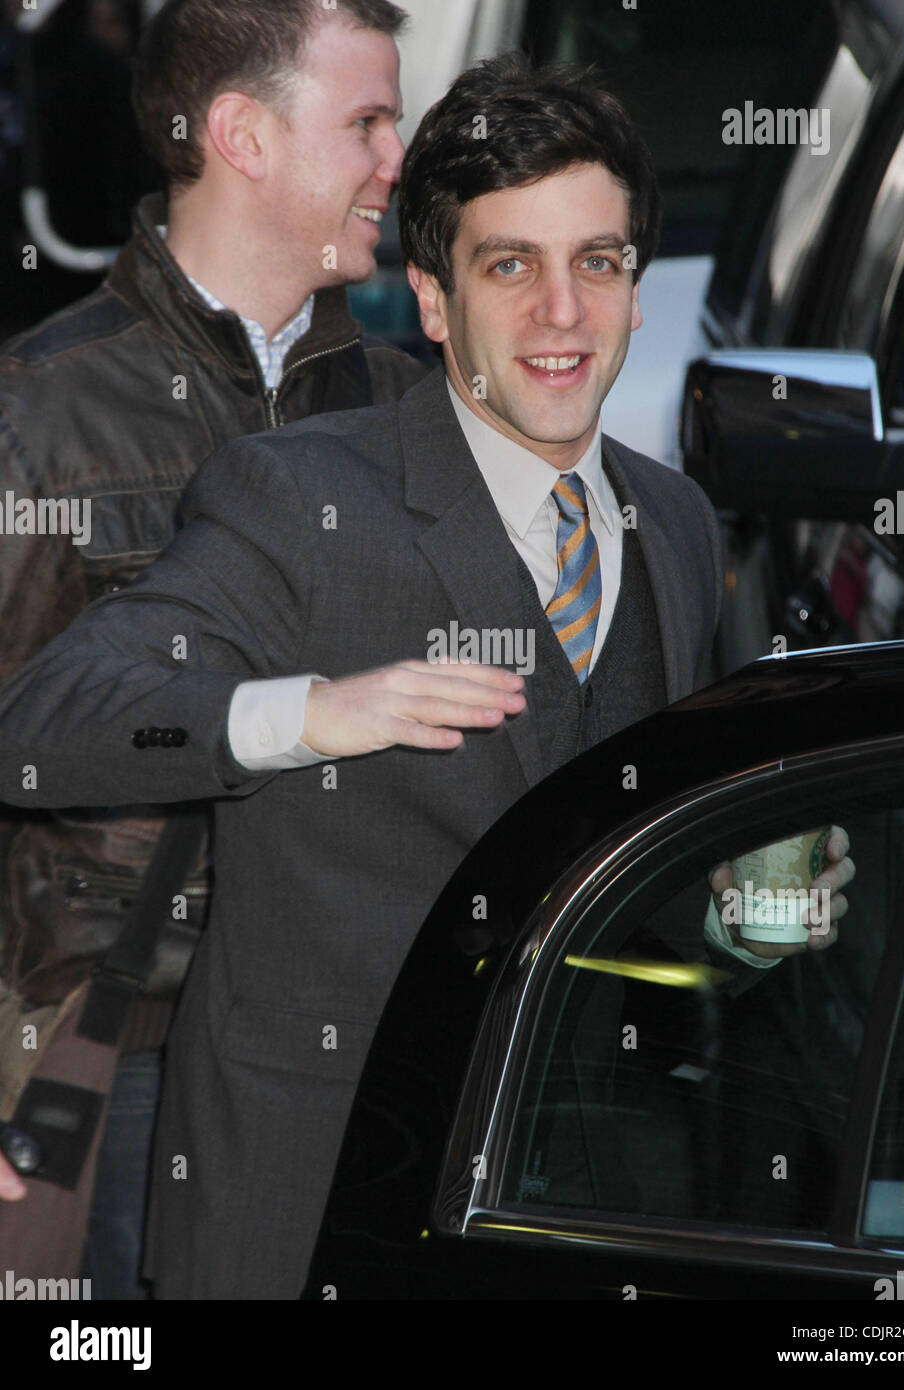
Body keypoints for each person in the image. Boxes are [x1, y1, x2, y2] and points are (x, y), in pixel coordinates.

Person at [0, 52, 853, 1299]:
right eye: (510, 266)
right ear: (436, 302)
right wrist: (308, 713)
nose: (561, 313)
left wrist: (726, 916)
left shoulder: (671, 524)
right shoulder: (298, 495)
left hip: (568, 1201)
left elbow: (613, 872)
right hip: (305, 1206)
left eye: (597, 263)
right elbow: (45, 717)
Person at [0, 0, 422, 1298]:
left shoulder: (415, 413)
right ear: (240, 134)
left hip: (372, 1053)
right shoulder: (40, 413)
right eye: (364, 121)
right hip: (126, 1059)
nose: (393, 157)